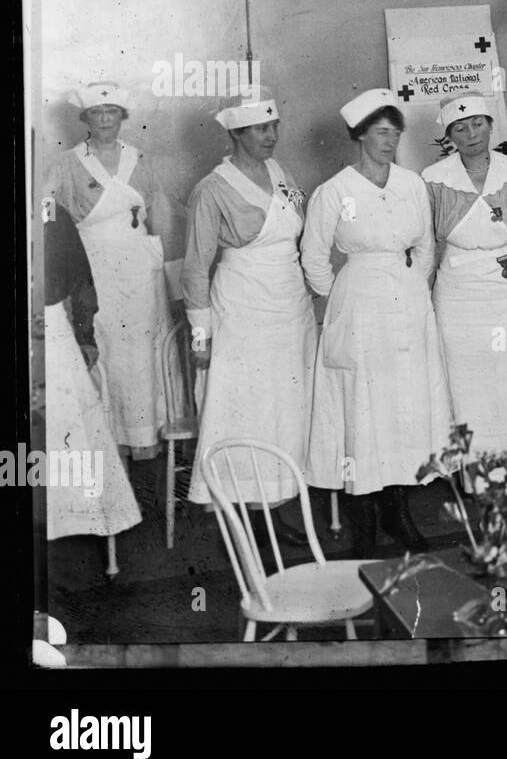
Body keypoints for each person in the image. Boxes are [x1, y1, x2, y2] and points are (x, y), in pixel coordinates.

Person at [301, 89, 453, 554]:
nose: (390, 141)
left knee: (404, 411)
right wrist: (346, 300)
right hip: (359, 306)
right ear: (360, 135)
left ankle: (399, 512)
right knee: (361, 413)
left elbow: (425, 245)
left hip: (407, 305)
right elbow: (313, 260)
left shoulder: (410, 185)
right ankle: (363, 526)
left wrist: (412, 288)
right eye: (381, 133)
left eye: (395, 133)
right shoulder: (334, 192)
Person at [182, 91, 317, 544]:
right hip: (242, 310)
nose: (272, 136)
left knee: (285, 409)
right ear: (236, 133)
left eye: (274, 126)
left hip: (289, 306)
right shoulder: (212, 188)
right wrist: (201, 338)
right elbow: (196, 267)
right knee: (245, 411)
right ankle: (240, 517)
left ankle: (273, 505)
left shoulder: (280, 173)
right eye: (261, 129)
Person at [43, 83, 178, 459]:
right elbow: (44, 214)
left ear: (122, 116)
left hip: (139, 275)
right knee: (103, 354)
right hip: (94, 271)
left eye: (112, 111)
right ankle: (107, 453)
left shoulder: (140, 160)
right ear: (86, 118)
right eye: (98, 112)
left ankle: (143, 448)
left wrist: (169, 276)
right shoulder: (68, 163)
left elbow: (162, 216)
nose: (105, 118)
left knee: (139, 357)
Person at [422, 93, 507, 456]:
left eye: (477, 123)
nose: (471, 133)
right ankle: (476, 469)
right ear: (450, 135)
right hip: (460, 290)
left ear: (490, 126)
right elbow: (426, 239)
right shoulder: (434, 179)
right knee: (468, 379)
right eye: (460, 127)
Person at [42, 203, 143, 542]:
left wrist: (84, 335)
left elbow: (81, 279)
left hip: (50, 328)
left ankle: (80, 519)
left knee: (70, 430)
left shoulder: (50, 213)